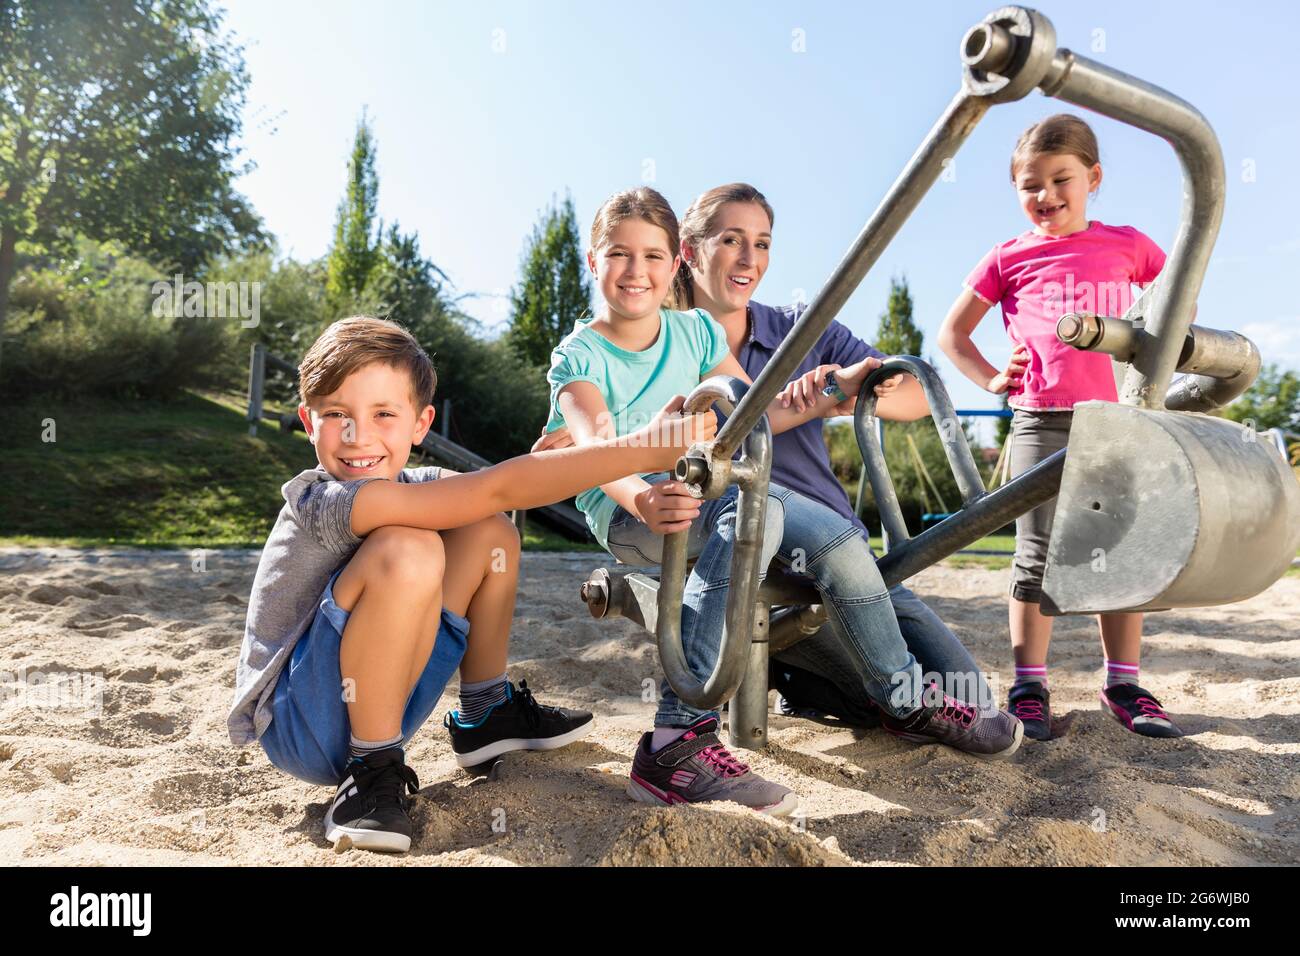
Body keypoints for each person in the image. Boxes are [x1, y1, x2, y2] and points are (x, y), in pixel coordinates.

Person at [544, 187, 1023, 817]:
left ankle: (902, 694)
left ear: (670, 264)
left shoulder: (692, 332)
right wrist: (637, 496)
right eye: (620, 255)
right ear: (593, 260)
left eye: (651, 256)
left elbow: (753, 414)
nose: (638, 271)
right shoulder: (580, 354)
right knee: (755, 515)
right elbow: (594, 448)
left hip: (735, 499)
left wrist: (824, 390)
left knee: (838, 540)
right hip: (652, 508)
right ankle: (676, 738)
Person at [227, 315, 717, 852]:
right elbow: (493, 486)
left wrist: (580, 459)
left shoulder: (415, 483)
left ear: (421, 423)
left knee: (491, 533)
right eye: (336, 414)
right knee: (408, 548)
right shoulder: (322, 500)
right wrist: (646, 448)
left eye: (384, 414)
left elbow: (499, 493)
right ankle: (370, 775)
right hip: (304, 724)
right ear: (307, 420)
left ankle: (486, 713)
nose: (357, 435)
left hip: (387, 694)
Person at [937, 113, 1182, 740]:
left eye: (1060, 179)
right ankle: (1029, 686)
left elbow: (1179, 299)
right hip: (1040, 420)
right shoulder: (1007, 256)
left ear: (1093, 178)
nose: (1045, 196)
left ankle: (1124, 683)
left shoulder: (1127, 244)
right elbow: (952, 334)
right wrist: (993, 377)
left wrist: (1160, 358)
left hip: (1118, 421)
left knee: (1120, 553)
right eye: (1029, 184)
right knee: (1036, 558)